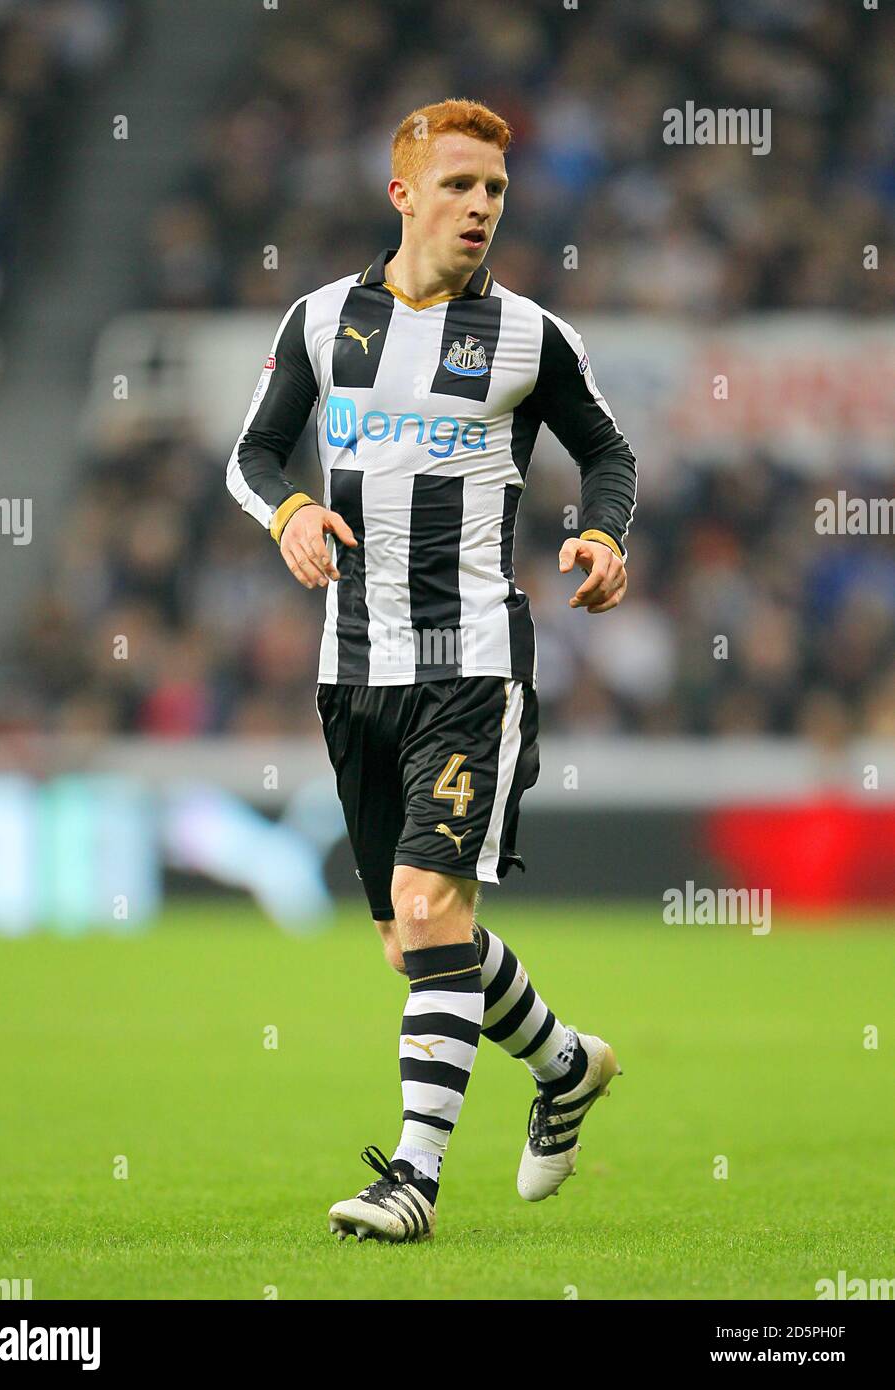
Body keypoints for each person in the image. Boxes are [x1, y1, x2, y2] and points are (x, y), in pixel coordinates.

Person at [226, 99, 636, 1243]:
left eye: (495, 191)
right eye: (458, 185)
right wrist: (292, 511)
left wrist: (604, 534)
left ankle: (411, 1179)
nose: (480, 208)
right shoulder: (321, 320)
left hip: (474, 661)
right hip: (353, 665)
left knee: (426, 905)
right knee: (416, 941)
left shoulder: (528, 336)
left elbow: (606, 450)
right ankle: (564, 1065)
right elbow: (251, 453)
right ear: (402, 193)